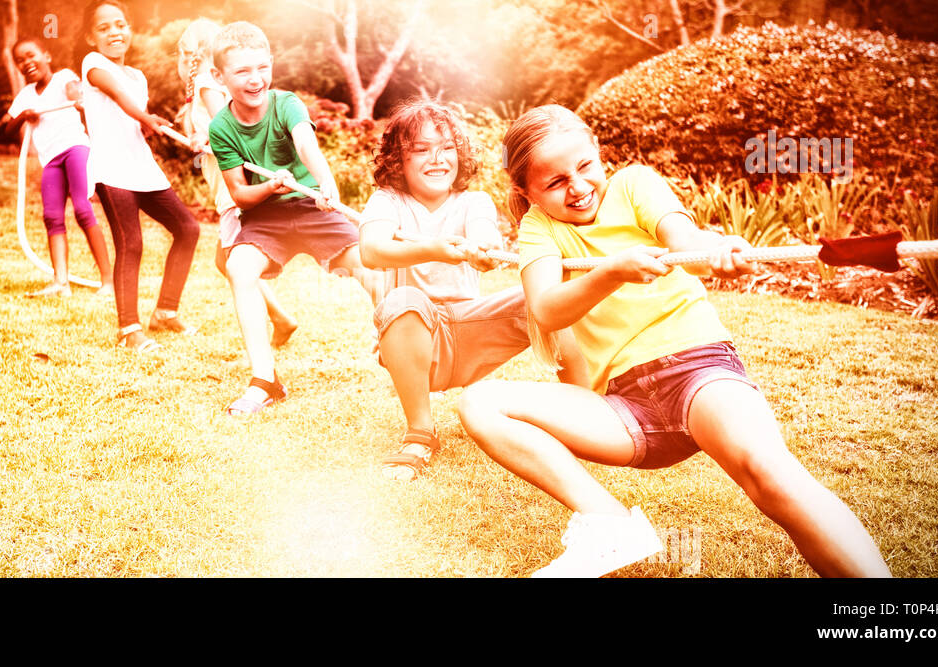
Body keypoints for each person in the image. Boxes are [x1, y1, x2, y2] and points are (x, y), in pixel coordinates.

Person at [458, 105, 891, 578]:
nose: (578, 187)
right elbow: (545, 307)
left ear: (598, 154)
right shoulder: (539, 228)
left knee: (771, 478)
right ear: (527, 192)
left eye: (584, 167)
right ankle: (607, 525)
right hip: (627, 409)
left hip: (699, 371)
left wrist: (715, 250)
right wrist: (613, 271)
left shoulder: (634, 185)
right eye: (556, 182)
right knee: (479, 403)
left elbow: (685, 241)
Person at [359, 99, 587, 481]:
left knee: (552, 295)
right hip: (418, 343)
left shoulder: (474, 202)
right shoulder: (388, 202)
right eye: (421, 150)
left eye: (447, 147)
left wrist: (481, 252)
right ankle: (420, 433)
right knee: (403, 300)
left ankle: (583, 412)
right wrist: (435, 249)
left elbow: (484, 237)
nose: (437, 159)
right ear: (398, 159)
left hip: (471, 331)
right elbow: (372, 250)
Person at [207, 21, 379, 415]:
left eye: (261, 68)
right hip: (265, 215)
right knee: (239, 267)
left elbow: (305, 143)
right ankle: (265, 380)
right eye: (242, 71)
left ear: (271, 63)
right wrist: (270, 188)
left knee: (374, 265)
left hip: (312, 206)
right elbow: (240, 196)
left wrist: (326, 181)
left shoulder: (287, 104)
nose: (255, 79)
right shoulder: (222, 128)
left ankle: (401, 347)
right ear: (220, 77)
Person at [78, 0, 201, 351]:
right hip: (111, 169)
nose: (114, 32)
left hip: (141, 167)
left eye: (120, 25)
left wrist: (155, 127)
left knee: (188, 229)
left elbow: (133, 118)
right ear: (91, 37)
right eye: (104, 28)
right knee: (131, 243)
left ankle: (165, 311)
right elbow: (117, 97)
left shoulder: (138, 77)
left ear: (129, 29)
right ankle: (128, 331)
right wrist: (146, 118)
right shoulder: (93, 64)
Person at [176, 18, 297, 348]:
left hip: (236, 185)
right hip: (226, 186)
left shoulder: (205, 80)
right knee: (223, 260)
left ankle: (278, 322)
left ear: (186, 54)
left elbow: (227, 128)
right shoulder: (206, 84)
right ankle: (281, 318)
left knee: (233, 262)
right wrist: (199, 137)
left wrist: (207, 138)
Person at [3, 38, 113, 299]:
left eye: (31, 55)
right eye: (20, 60)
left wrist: (78, 99)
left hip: (75, 149)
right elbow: (5, 129)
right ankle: (60, 283)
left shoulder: (64, 77)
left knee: (82, 209)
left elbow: (76, 92)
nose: (26, 63)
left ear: (46, 56)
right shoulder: (25, 96)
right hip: (51, 160)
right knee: (51, 216)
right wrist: (22, 116)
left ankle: (108, 281)